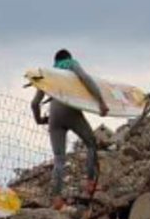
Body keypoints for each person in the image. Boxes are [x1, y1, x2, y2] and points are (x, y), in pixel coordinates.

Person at [31, 49, 108, 210]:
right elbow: (85, 78)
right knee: (91, 144)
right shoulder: (71, 64)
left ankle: (57, 199)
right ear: (68, 58)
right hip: (69, 109)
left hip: (54, 115)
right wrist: (100, 101)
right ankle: (90, 183)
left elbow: (34, 103)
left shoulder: (48, 73)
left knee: (59, 159)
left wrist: (39, 120)